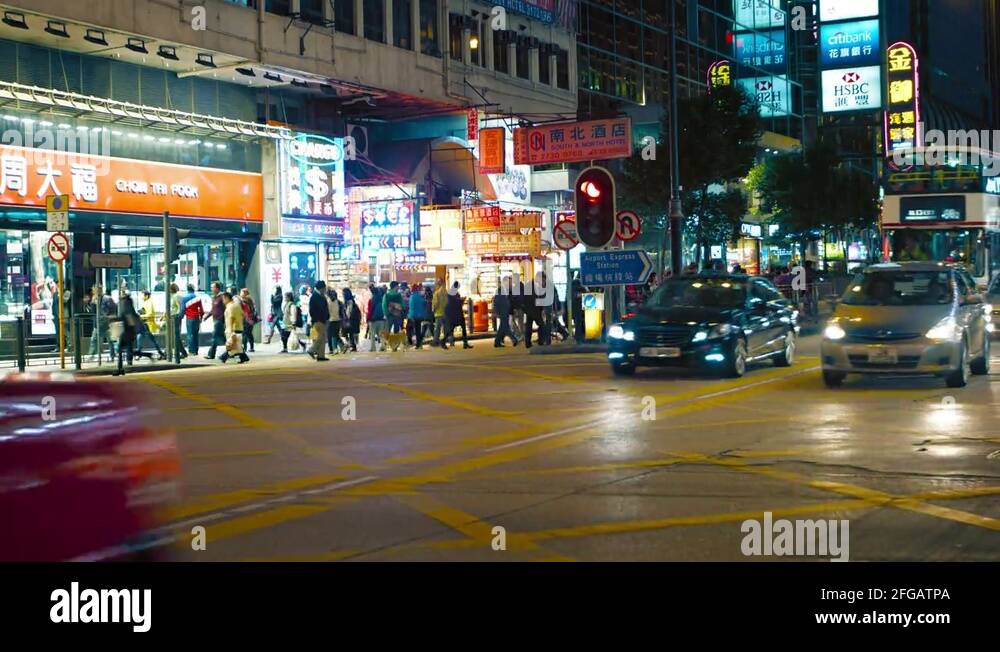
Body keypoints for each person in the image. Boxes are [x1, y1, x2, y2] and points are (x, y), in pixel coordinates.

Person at [117, 290, 152, 367]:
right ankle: (144, 355)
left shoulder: (123, 302)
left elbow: (127, 314)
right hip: (127, 327)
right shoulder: (126, 302)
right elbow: (131, 314)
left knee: (121, 347)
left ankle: (123, 363)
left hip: (124, 327)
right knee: (126, 346)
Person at [218, 291, 250, 364]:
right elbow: (243, 315)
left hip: (232, 329)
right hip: (239, 327)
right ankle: (243, 357)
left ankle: (224, 356)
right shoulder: (237, 305)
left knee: (233, 345)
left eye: (223, 299)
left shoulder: (230, 307)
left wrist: (230, 330)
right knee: (237, 345)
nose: (222, 301)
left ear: (226, 298)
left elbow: (231, 318)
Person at [137, 290, 166, 359]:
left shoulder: (149, 303)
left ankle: (160, 353)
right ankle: (160, 353)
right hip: (145, 324)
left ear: (146, 296)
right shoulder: (146, 302)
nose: (141, 297)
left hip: (148, 324)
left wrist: (141, 316)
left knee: (147, 339)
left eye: (142, 295)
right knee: (141, 338)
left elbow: (150, 314)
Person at [307, 280, 330, 361]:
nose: (325, 290)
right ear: (322, 288)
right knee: (320, 337)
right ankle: (312, 349)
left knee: (322, 337)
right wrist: (318, 318)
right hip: (318, 320)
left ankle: (321, 356)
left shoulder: (319, 296)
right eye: (324, 288)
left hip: (321, 319)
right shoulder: (316, 296)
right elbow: (313, 310)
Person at [445, 281, 471, 349]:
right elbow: (456, 303)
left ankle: (445, 341)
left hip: (453, 314)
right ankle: (465, 343)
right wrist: (461, 301)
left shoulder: (449, 293)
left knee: (452, 329)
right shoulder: (453, 294)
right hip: (456, 314)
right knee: (460, 328)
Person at [203, 282, 226, 359]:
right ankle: (238, 352)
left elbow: (226, 308)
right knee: (224, 338)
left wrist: (224, 319)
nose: (211, 289)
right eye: (211, 287)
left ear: (217, 288)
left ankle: (211, 354)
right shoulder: (213, 297)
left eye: (213, 287)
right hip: (215, 320)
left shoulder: (222, 297)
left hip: (220, 320)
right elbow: (213, 310)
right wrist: (206, 316)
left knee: (215, 337)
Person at [493, 277, 517, 347]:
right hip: (502, 310)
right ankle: (514, 339)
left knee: (502, 326)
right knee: (505, 326)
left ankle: (497, 341)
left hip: (506, 310)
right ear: (505, 282)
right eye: (509, 282)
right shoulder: (500, 290)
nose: (510, 283)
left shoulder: (509, 290)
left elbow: (510, 300)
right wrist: (496, 311)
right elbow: (496, 301)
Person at [182, 284, 203, 356]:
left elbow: (183, 309)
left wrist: (181, 316)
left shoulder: (184, 298)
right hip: (197, 317)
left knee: (190, 334)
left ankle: (191, 351)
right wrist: (201, 317)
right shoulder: (198, 297)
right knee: (196, 335)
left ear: (187, 289)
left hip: (189, 318)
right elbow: (201, 309)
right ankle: (196, 350)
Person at [406, 283, 429, 349]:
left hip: (413, 316)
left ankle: (414, 343)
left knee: (410, 329)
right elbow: (424, 304)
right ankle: (418, 344)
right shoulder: (420, 296)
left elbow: (411, 308)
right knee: (417, 330)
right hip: (420, 316)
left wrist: (410, 316)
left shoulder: (412, 297)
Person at [168, 283, 187, 359]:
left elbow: (180, 307)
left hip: (175, 318)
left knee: (176, 336)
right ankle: (182, 352)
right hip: (172, 317)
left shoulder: (176, 296)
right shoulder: (172, 296)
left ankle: (182, 352)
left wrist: (178, 316)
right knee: (174, 336)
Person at [367, 285, 387, 352]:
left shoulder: (371, 300)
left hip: (373, 319)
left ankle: (373, 348)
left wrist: (368, 318)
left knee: (372, 334)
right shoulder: (382, 298)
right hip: (381, 318)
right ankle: (383, 346)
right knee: (381, 334)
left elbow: (370, 310)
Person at [341, 288, 361, 352]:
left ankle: (351, 345)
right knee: (348, 333)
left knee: (350, 333)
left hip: (350, 320)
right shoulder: (348, 302)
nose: (343, 295)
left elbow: (349, 311)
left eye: (343, 293)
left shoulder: (350, 302)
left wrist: (347, 319)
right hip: (349, 320)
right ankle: (351, 345)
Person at [239, 288, 257, 353]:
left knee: (245, 334)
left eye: (241, 292)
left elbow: (245, 310)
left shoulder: (245, 300)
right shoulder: (250, 299)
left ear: (244, 293)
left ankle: (245, 348)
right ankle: (251, 347)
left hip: (246, 319)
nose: (240, 293)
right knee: (249, 333)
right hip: (250, 319)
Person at [432, 278, 449, 347]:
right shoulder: (446, 292)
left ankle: (436, 342)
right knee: (446, 328)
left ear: (438, 284)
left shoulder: (437, 293)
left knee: (437, 329)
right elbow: (448, 302)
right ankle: (447, 341)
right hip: (445, 312)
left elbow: (435, 303)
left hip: (438, 313)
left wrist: (433, 310)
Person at [326, 287, 344, 354]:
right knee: (335, 334)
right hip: (337, 319)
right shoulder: (337, 301)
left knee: (331, 335)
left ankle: (334, 349)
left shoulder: (328, 301)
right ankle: (342, 346)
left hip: (331, 320)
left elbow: (327, 311)